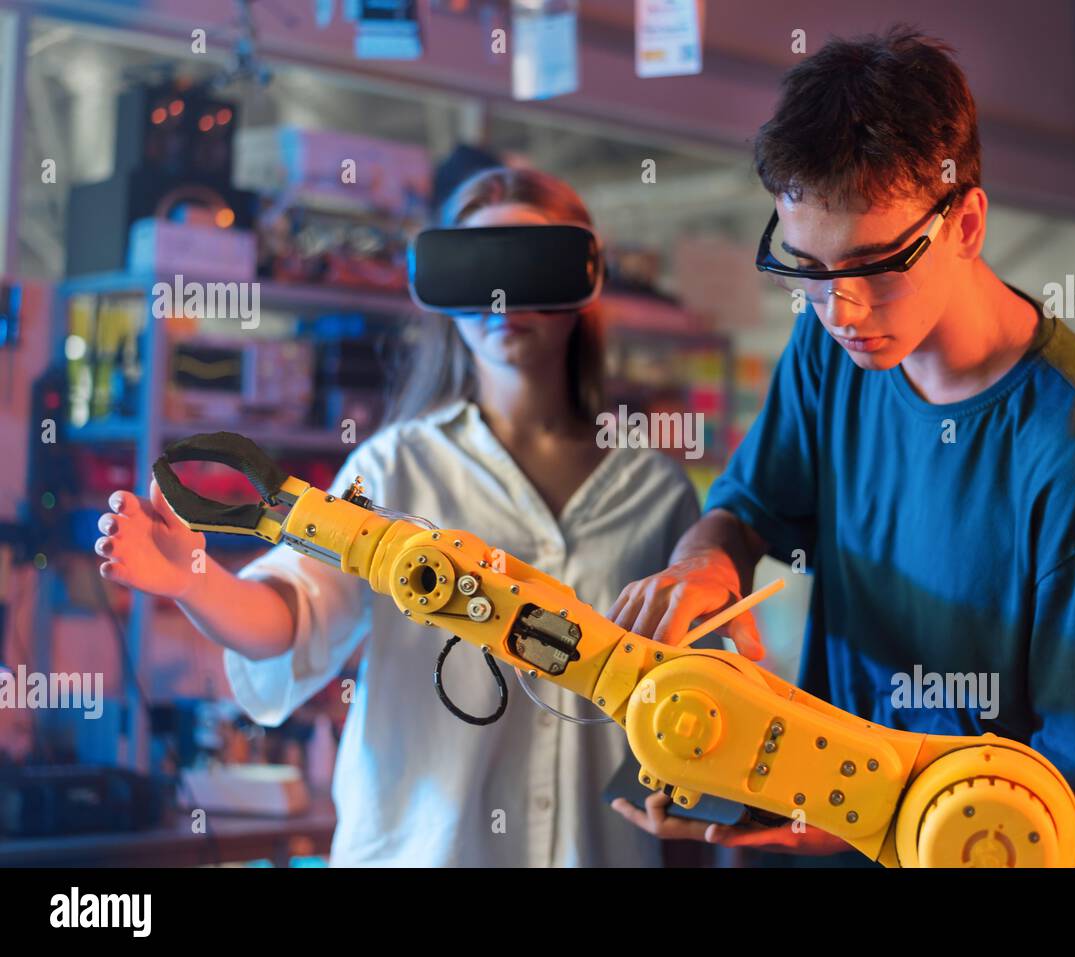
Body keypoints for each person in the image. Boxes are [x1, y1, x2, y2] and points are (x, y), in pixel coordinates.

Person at [608, 29, 1075, 868]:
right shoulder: (830, 352)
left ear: (966, 225)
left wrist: (864, 821)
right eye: (805, 266)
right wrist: (707, 564)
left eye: (876, 265)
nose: (840, 308)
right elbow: (747, 506)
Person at [97, 166, 702, 867]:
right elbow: (296, 611)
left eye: (529, 267)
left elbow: (685, 696)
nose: (501, 299)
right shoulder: (392, 469)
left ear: (583, 283)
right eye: (475, 270)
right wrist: (196, 578)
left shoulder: (657, 491)